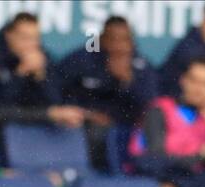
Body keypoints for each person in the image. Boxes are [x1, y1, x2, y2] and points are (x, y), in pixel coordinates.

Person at [56, 16, 157, 167]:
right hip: (86, 126)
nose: (119, 46)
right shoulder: (84, 58)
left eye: (124, 40)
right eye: (113, 39)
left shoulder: (141, 65)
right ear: (102, 40)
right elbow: (57, 90)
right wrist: (86, 114)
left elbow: (151, 107)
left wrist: (127, 82)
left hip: (127, 129)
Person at [128, 57, 205, 187]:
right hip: (155, 182)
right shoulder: (159, 110)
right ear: (183, 80)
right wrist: (196, 158)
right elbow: (155, 159)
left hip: (193, 185)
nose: (198, 89)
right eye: (194, 81)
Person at [0, 12, 87, 137]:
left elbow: (56, 103)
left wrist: (41, 78)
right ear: (9, 35)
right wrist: (20, 74)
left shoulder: (44, 58)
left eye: (36, 38)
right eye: (25, 38)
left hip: (36, 130)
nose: (31, 44)